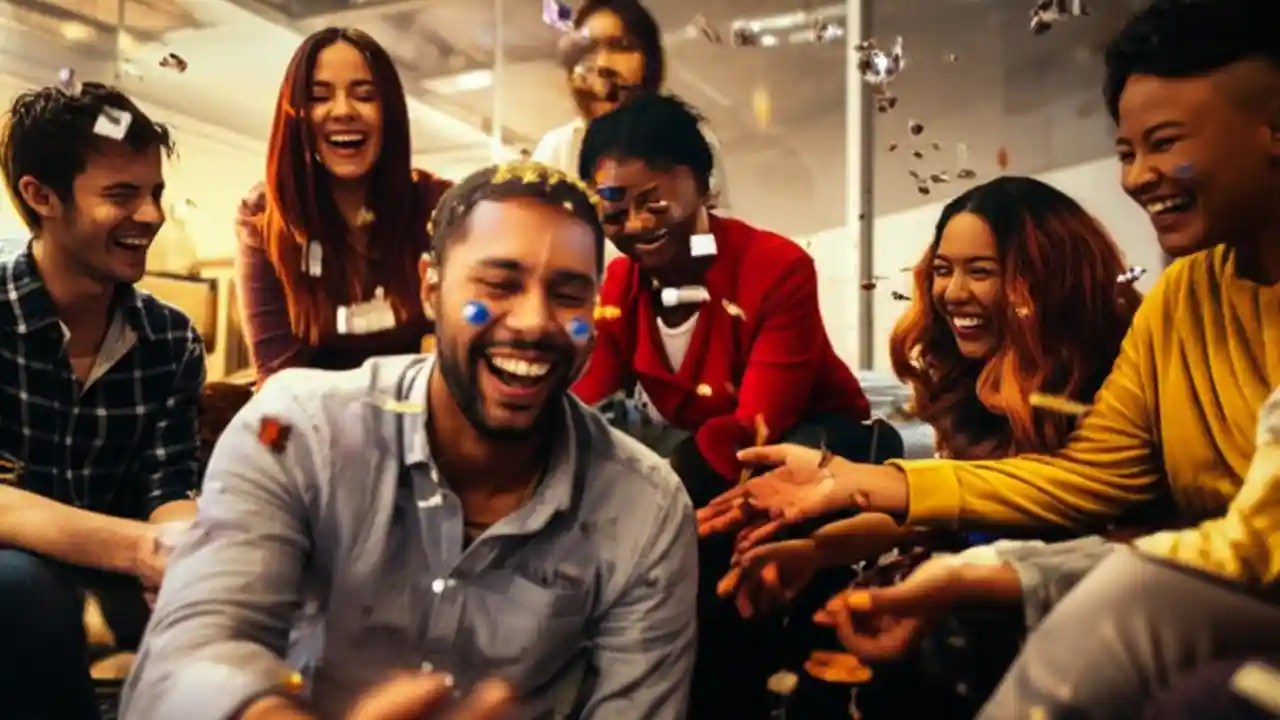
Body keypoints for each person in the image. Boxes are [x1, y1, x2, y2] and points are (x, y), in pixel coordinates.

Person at [699, 0, 1280, 714]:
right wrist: (850, 500)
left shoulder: (1098, 358)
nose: (1138, 178)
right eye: (1128, 152)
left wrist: (944, 551)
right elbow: (1086, 477)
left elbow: (1208, 545)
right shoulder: (1187, 292)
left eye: (1164, 143)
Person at [120, 161, 698, 720]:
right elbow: (182, 661)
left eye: (569, 295)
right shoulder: (299, 433)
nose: (531, 322)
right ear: (430, 288)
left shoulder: (644, 507)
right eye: (499, 284)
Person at [716, 176, 1144, 718]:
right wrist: (816, 551)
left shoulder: (1118, 389)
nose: (953, 292)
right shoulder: (978, 385)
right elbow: (945, 512)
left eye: (981, 271)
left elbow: (1038, 510)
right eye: (943, 270)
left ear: (1050, 278)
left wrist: (852, 485)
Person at [570, 91, 879, 719]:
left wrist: (653, 505)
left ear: (703, 184)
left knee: (700, 579)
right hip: (712, 469)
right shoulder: (621, 284)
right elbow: (585, 402)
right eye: (615, 209)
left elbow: (759, 426)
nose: (636, 223)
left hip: (814, 446)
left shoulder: (776, 267)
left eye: (654, 199)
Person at [0, 83, 203, 719]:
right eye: (121, 195)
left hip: (116, 581)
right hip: (23, 583)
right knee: (20, 586)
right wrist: (142, 549)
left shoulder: (169, 339)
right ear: (41, 196)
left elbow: (169, 486)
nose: (151, 215)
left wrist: (183, 556)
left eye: (155, 193)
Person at [237, 27, 452, 387]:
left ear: (390, 112)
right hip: (312, 431)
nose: (343, 111)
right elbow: (277, 380)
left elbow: (457, 355)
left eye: (365, 95)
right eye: (319, 97)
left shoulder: (436, 207)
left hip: (418, 427)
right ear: (296, 116)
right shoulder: (263, 219)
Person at [533, 0, 729, 213]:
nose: (602, 64)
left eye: (621, 47)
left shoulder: (691, 140)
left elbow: (711, 232)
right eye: (587, 49)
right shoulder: (557, 149)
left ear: (649, 60)